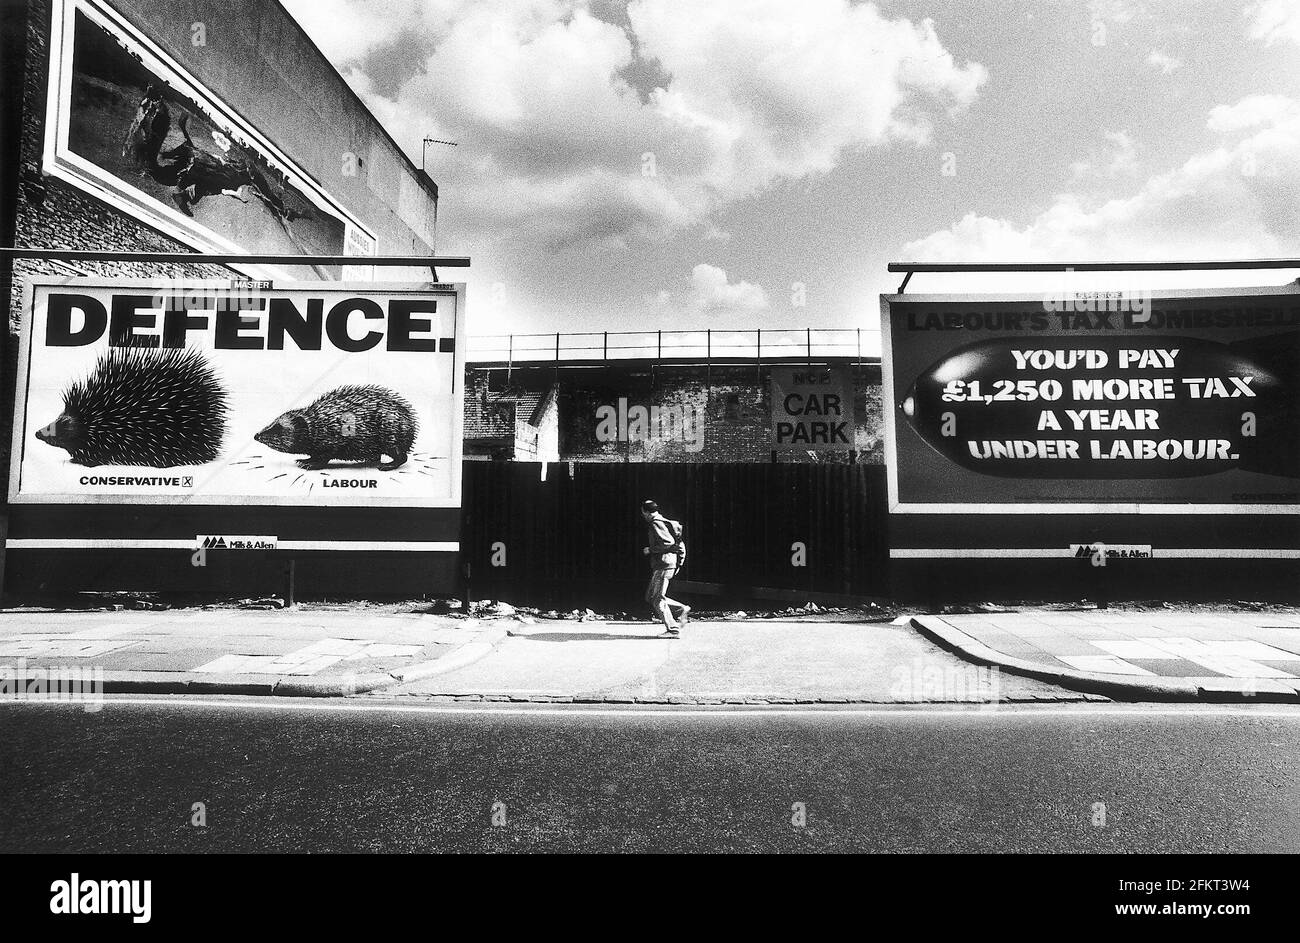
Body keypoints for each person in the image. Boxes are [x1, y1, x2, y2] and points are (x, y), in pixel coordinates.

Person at [640, 499, 690, 637]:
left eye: (642, 512)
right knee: (651, 596)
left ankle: (673, 630)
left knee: (657, 599)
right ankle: (681, 610)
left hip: (663, 564)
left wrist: (650, 549)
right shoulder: (661, 521)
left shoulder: (656, 523)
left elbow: (668, 543)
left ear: (645, 512)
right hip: (665, 563)